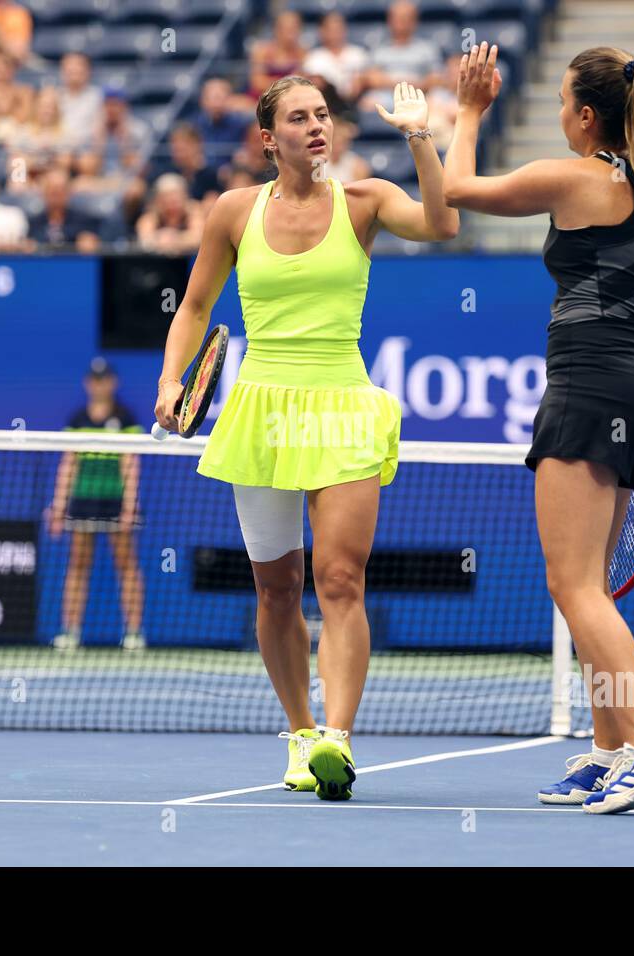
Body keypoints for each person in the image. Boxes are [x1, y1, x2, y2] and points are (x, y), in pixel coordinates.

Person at [154, 75, 458, 801]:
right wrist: (171, 381)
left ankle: (338, 741)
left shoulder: (367, 201)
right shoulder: (232, 211)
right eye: (299, 117)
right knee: (276, 587)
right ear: (269, 138)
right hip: (262, 410)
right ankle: (299, 730)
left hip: (343, 405)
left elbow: (444, 224)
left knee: (342, 579)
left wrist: (420, 134)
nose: (316, 126)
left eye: (323, 114)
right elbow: (195, 305)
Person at [443, 44, 634, 814]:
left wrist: (469, 109)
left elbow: (457, 188)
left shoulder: (574, 178)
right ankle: (608, 748)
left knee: (571, 585)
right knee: (588, 587)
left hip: (589, 385)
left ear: (588, 117)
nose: (559, 114)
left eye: (564, 102)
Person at [48, 358, 146, 651]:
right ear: (88, 383)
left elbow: (131, 463)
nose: (100, 384)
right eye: (95, 379)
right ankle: (71, 632)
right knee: (77, 564)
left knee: (126, 564)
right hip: (82, 501)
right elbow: (68, 463)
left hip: (115, 501)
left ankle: (133, 634)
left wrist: (130, 506)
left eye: (104, 379)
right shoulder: (78, 420)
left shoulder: (125, 418)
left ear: (112, 383)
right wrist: (58, 506)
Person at [28, 169, 99, 252]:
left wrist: (91, 241)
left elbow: (101, 238)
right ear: (43, 193)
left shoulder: (85, 221)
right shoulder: (33, 223)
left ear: (70, 192)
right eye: (52, 191)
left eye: (61, 190)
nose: (57, 196)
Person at [134, 173, 205, 255]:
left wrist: (173, 238)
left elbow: (198, 238)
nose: (171, 206)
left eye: (175, 200)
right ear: (158, 201)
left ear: (184, 197)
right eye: (166, 200)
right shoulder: (151, 215)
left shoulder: (194, 211)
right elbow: (145, 239)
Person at [249, 11, 307, 98]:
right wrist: (290, 82)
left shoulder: (303, 53)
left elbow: (305, 84)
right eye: (287, 29)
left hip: (292, 98)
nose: (291, 34)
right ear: (276, 30)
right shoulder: (262, 51)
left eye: (295, 28)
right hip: (262, 98)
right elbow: (257, 83)